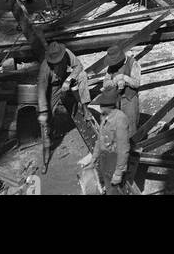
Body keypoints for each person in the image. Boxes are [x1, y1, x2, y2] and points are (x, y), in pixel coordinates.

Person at [92, 44, 142, 189]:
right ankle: (116, 157)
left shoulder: (133, 63)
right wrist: (114, 81)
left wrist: (125, 78)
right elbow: (105, 83)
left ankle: (129, 160)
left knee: (130, 129)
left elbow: (137, 83)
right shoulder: (111, 66)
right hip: (115, 99)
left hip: (129, 99)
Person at [36, 40, 89, 158]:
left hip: (65, 80)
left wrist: (69, 80)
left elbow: (79, 66)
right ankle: (48, 142)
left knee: (82, 76)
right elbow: (41, 91)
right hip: (52, 88)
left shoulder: (66, 53)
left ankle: (85, 107)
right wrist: (43, 111)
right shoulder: (45, 68)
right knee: (47, 119)